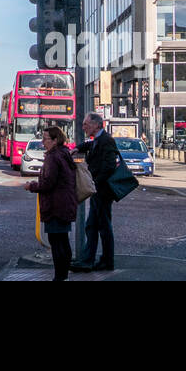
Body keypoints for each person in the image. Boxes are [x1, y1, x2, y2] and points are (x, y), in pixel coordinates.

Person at [25, 126, 77, 281]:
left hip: (56, 206)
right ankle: (63, 275)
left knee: (57, 243)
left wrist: (31, 186)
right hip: (65, 204)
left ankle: (59, 277)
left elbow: (48, 183)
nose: (43, 142)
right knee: (63, 240)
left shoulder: (53, 157)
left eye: (46, 139)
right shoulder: (64, 153)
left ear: (55, 140)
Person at [70, 112, 118, 273]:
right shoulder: (98, 139)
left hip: (103, 191)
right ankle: (89, 260)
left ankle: (104, 261)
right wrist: (77, 148)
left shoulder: (107, 140)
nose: (83, 127)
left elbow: (110, 166)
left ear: (97, 125)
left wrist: (94, 183)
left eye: (86, 124)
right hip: (99, 190)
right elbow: (90, 145)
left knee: (103, 227)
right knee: (92, 226)